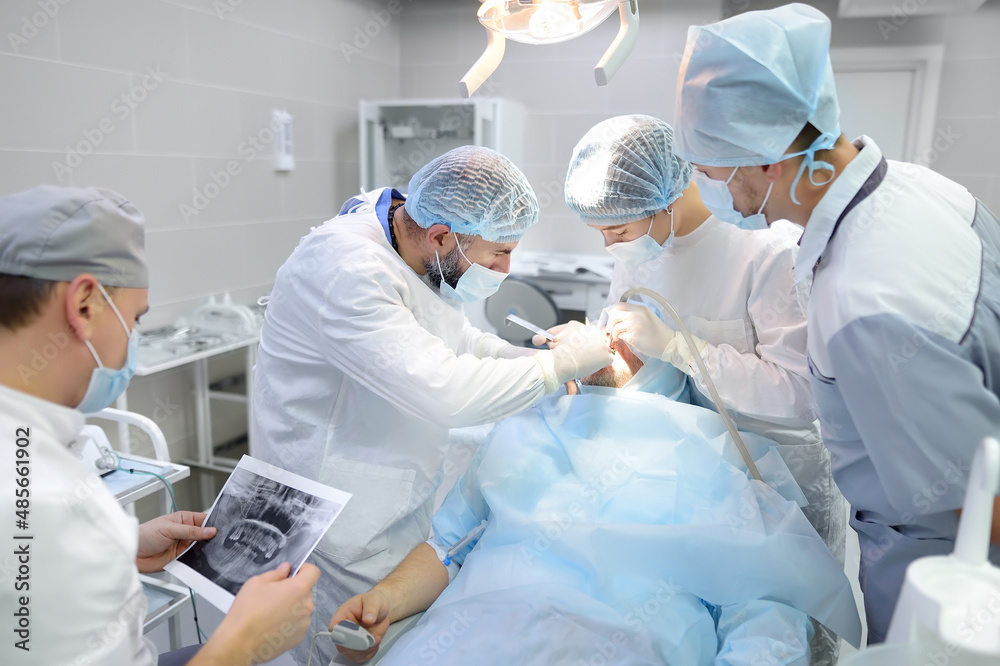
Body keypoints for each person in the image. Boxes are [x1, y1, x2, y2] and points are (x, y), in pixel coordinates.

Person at [672, 2, 1000, 643]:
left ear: (766, 159)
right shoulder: (918, 187)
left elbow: (976, 509)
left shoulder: (869, 304)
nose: (708, 186)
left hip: (943, 579)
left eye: (711, 169)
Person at [252, 145, 613, 664]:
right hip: (332, 522)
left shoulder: (412, 239)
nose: (507, 268)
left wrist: (541, 364)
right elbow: (444, 391)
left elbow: (457, 343)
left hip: (389, 499)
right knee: (338, 647)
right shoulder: (347, 269)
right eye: (499, 252)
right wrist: (557, 369)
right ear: (441, 235)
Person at [328, 340, 862, 665]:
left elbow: (764, 606)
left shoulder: (710, 456)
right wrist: (387, 601)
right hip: (470, 639)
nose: (608, 338)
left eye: (627, 334)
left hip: (622, 645)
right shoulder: (524, 436)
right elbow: (447, 546)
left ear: (669, 362)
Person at [0, 186, 321, 665]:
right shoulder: (49, 504)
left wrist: (121, 549)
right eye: (134, 319)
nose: (132, 339)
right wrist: (243, 643)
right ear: (84, 304)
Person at [564, 112, 846, 567]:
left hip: (778, 477)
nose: (610, 245)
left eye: (618, 231)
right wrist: (591, 354)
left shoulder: (766, 248)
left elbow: (799, 394)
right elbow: (627, 345)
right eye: (602, 232)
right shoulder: (641, 247)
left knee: (787, 615)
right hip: (690, 471)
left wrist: (681, 348)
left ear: (667, 200)